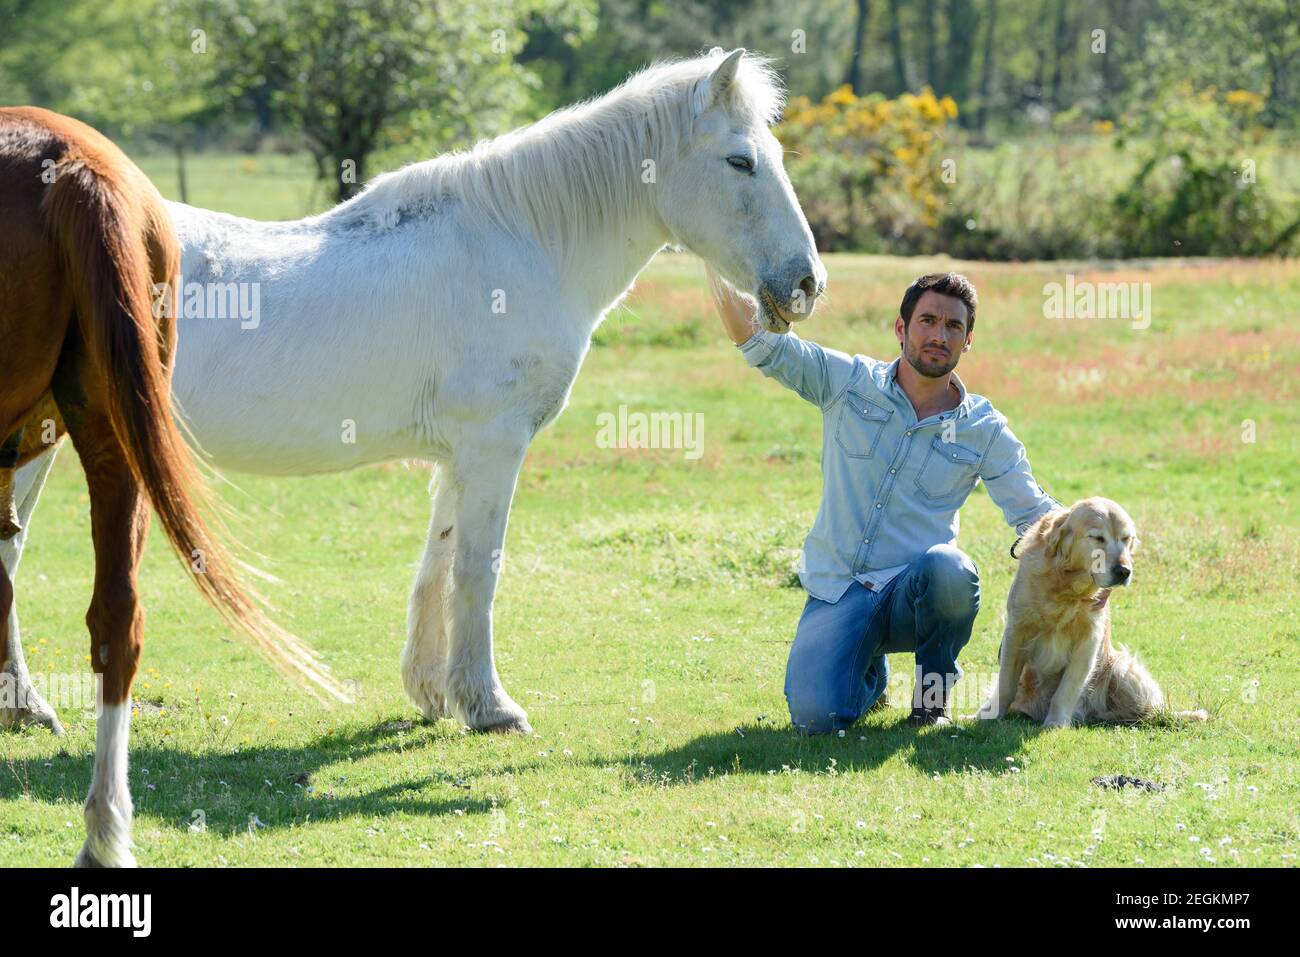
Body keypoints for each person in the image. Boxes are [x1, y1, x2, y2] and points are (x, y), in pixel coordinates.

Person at [708, 268, 1057, 730]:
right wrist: (710, 254)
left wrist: (1091, 558)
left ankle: (931, 705)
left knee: (951, 571)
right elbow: (759, 343)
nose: (939, 335)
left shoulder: (983, 429)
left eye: (954, 326)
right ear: (901, 328)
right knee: (817, 718)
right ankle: (867, 674)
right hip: (838, 591)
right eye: (928, 320)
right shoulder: (848, 382)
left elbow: (1035, 515)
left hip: (914, 593)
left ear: (968, 340)